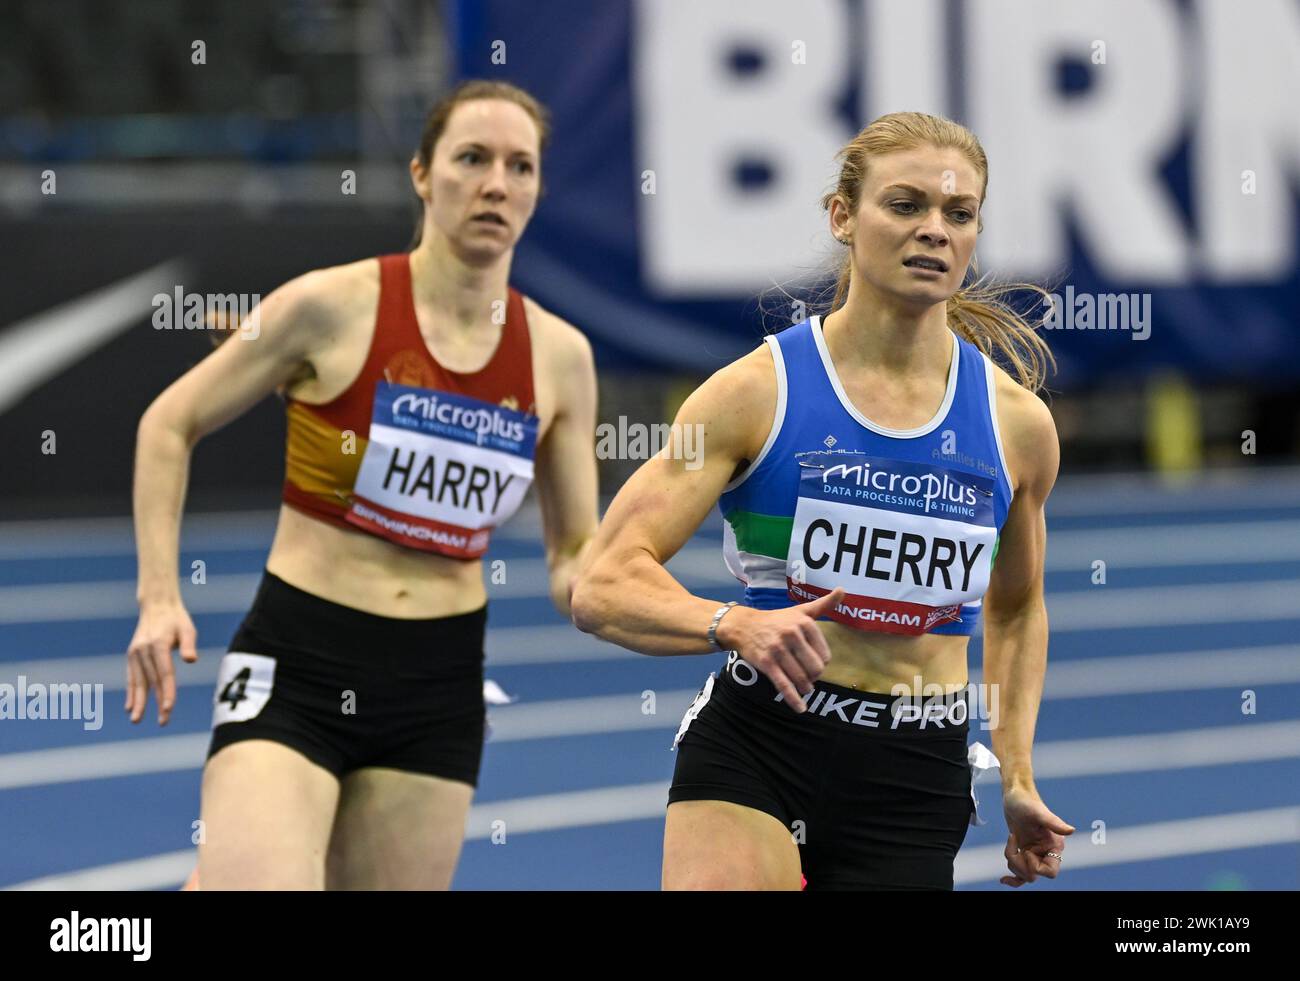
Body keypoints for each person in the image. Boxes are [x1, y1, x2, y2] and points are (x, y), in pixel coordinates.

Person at [572, 111, 1073, 890]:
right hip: (762, 742)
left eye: (958, 213)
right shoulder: (753, 395)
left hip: (914, 772)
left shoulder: (1017, 428)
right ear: (842, 216)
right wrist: (730, 622)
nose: (934, 230)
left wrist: (1016, 774)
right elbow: (602, 581)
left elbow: (1015, 608)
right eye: (904, 205)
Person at [127, 79, 598, 890]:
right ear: (422, 173)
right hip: (299, 664)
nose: (496, 184)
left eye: (520, 166)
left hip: (438, 689)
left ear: (538, 188)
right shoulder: (328, 307)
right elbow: (168, 423)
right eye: (472, 159)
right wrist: (160, 596)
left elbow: (574, 555)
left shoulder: (560, 357)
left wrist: (682, 612)